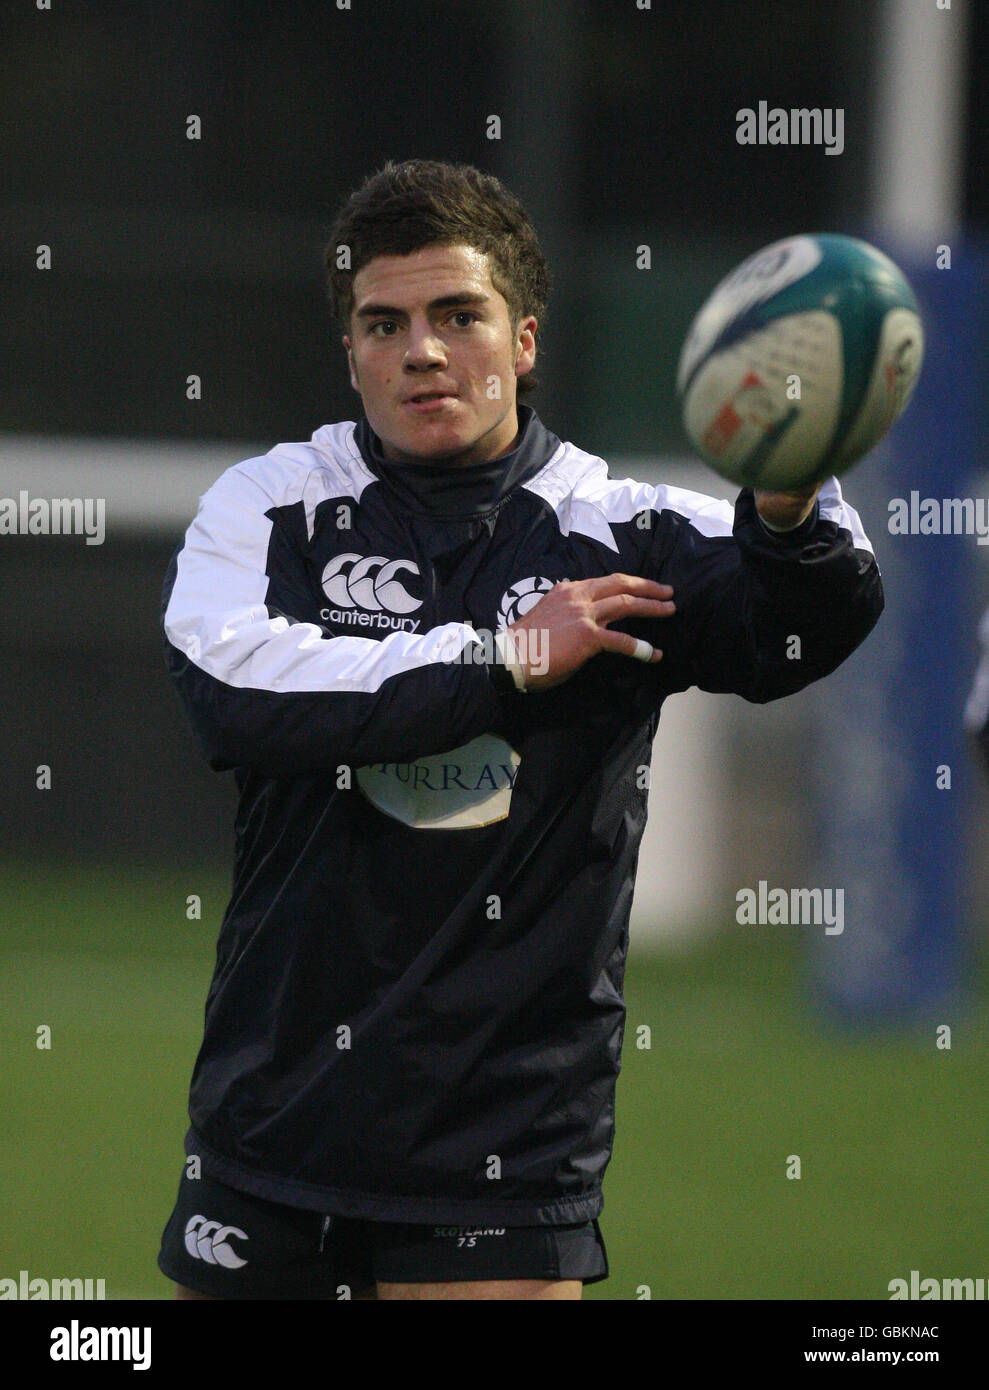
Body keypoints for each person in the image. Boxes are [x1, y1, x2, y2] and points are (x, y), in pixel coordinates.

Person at [157, 158, 883, 1300]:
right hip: (273, 1121)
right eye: (382, 323)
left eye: (459, 315)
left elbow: (794, 628)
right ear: (350, 351)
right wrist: (502, 662)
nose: (422, 351)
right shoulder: (271, 505)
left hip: (501, 1146)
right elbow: (235, 690)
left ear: (524, 340)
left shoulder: (625, 532)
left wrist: (787, 499)